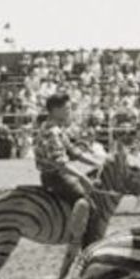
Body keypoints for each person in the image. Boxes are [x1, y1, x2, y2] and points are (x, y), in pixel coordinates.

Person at [35, 93, 101, 255]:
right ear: (55, 110)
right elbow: (60, 163)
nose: (69, 112)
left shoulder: (55, 128)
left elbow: (74, 152)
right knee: (89, 206)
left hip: (57, 175)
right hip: (56, 177)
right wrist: (83, 176)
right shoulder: (52, 132)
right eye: (67, 108)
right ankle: (86, 249)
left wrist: (98, 164)